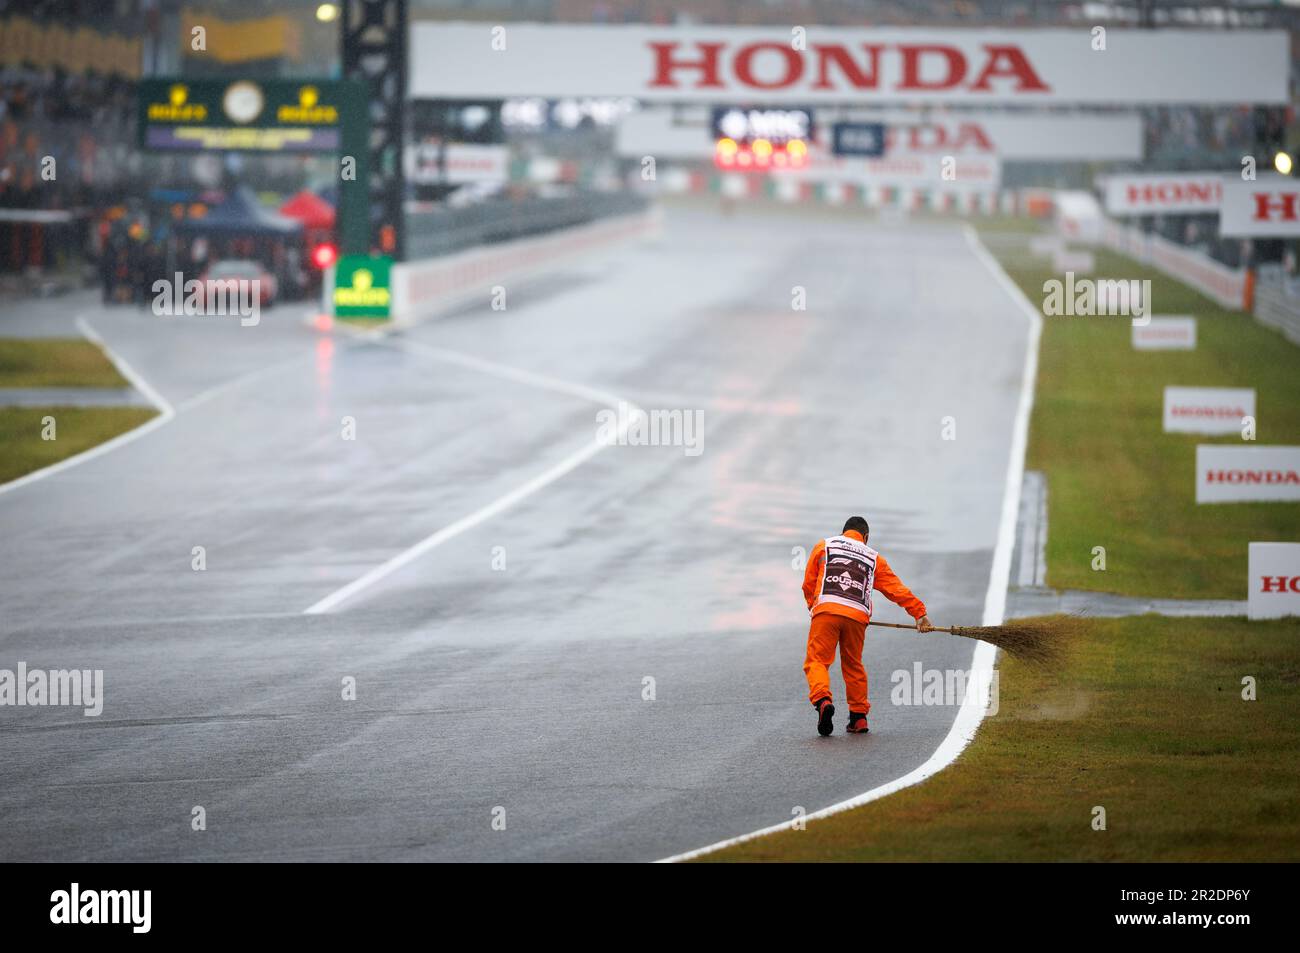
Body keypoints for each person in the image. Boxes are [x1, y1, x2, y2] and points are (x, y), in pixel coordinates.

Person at [801, 516, 933, 737]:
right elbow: (895, 588)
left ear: (843, 532)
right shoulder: (873, 557)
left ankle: (823, 701)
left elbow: (809, 582)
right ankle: (859, 717)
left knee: (817, 661)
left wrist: (813, 607)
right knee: (853, 664)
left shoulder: (824, 545)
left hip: (826, 611)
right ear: (866, 537)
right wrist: (919, 613)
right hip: (856, 615)